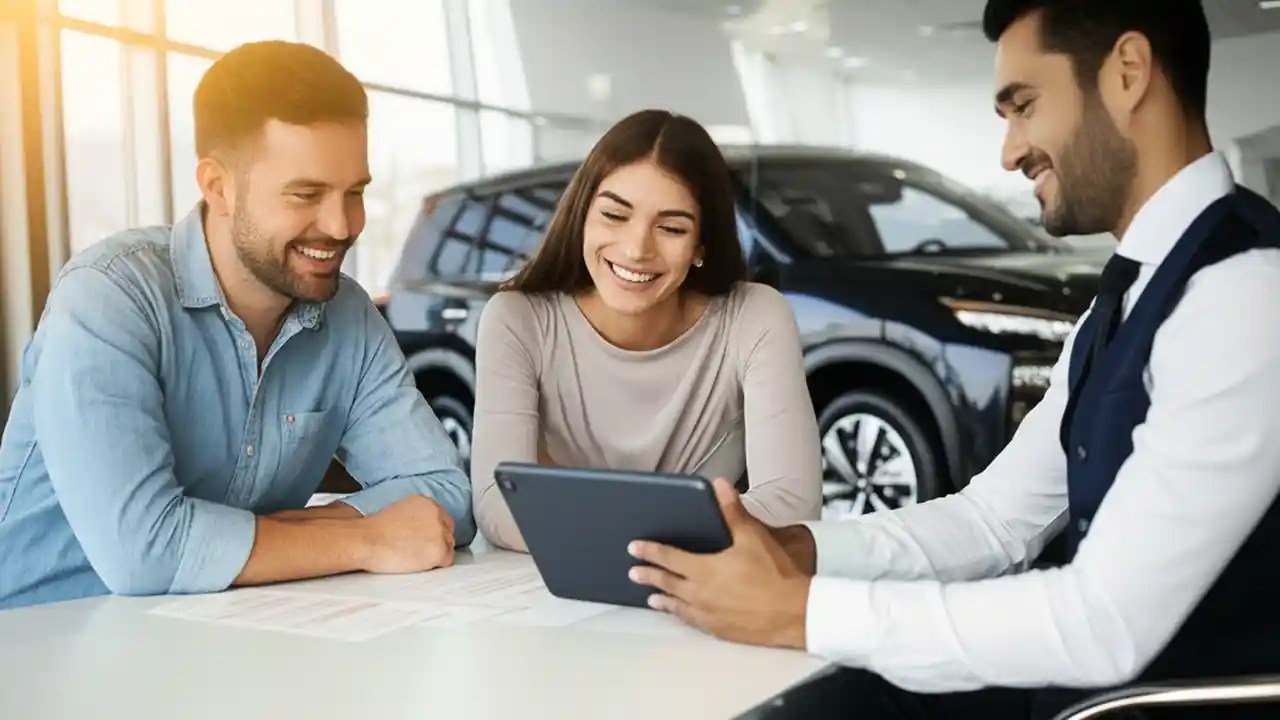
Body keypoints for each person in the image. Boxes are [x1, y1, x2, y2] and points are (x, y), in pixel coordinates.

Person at [627, 1, 1280, 718]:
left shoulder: (1246, 291)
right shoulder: (1133, 290)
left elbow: (1105, 624)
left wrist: (798, 610)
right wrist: (801, 553)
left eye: (1023, 106)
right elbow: (993, 521)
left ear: (1127, 73)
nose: (1009, 151)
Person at [0, 41, 474, 610]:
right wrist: (367, 538)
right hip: (40, 648)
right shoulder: (109, 297)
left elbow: (447, 496)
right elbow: (143, 551)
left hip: (220, 635)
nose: (341, 225)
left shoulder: (348, 317)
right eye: (306, 194)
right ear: (217, 186)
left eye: (355, 193)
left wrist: (236, 542)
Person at [470, 109, 822, 551]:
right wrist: (689, 527)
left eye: (672, 228)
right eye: (615, 216)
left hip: (704, 591)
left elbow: (793, 507)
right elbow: (495, 505)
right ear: (582, 216)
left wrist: (584, 528)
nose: (637, 249)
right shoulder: (518, 320)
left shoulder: (754, 318)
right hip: (545, 594)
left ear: (700, 246)